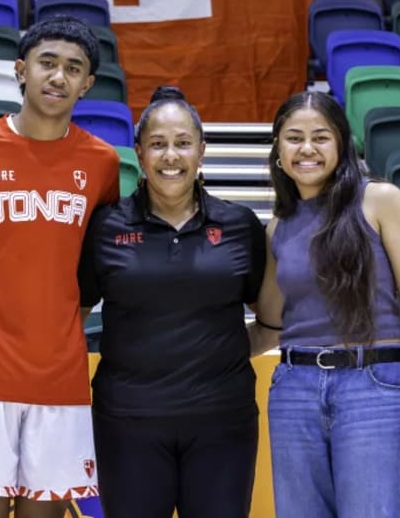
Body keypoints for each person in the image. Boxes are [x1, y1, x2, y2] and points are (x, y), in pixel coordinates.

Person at [0, 16, 120, 518]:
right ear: (21, 70)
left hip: (59, 371)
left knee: (47, 514)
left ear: (87, 83)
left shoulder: (102, 163)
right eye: (47, 63)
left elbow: (92, 271)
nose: (58, 77)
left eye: (73, 68)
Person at [253, 91, 400, 518]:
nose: (307, 149)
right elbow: (269, 324)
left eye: (320, 137)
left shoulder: (380, 200)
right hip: (293, 389)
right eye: (294, 138)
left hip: (373, 386)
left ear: (341, 144)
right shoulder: (278, 227)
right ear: (278, 151)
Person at [78, 87, 265, 518]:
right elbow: (77, 312)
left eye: (183, 144)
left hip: (223, 424)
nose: (171, 156)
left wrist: (215, 358)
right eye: (158, 145)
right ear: (140, 153)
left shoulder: (240, 226)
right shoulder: (105, 227)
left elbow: (269, 320)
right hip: (127, 423)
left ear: (202, 152)